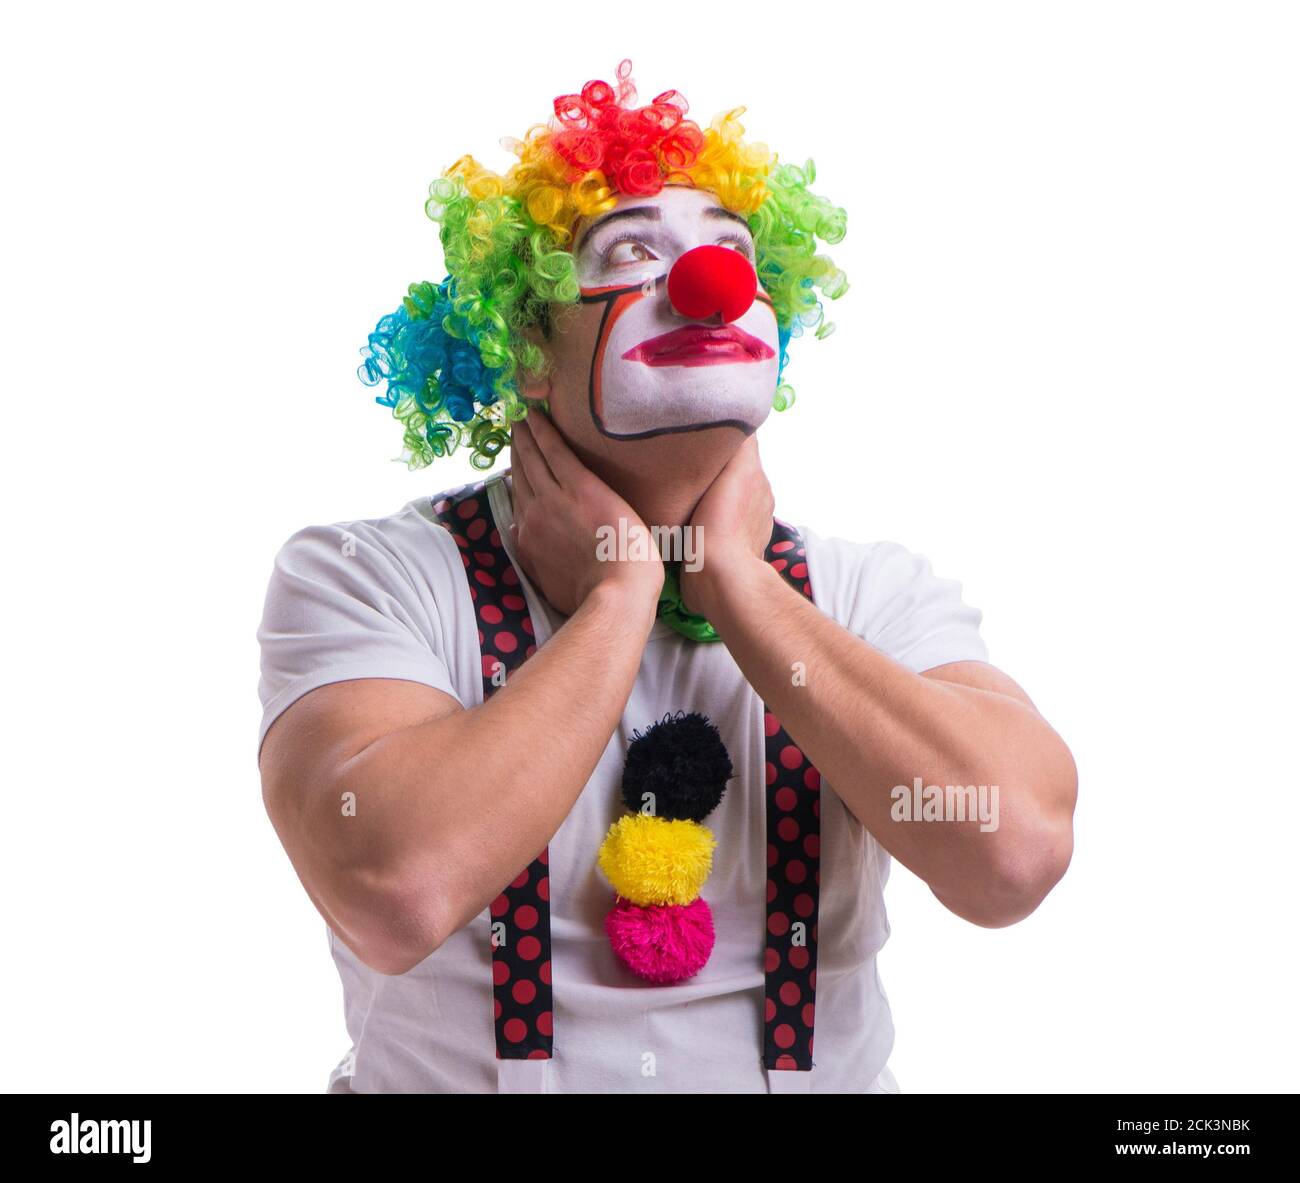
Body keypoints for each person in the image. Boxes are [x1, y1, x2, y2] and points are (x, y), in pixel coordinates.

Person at [255, 59, 1077, 1094]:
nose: (709, 284)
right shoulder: (371, 576)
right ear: (523, 351)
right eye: (633, 250)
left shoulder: (869, 595)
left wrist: (737, 582)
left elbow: (1013, 857)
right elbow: (393, 887)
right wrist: (619, 596)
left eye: (733, 252)